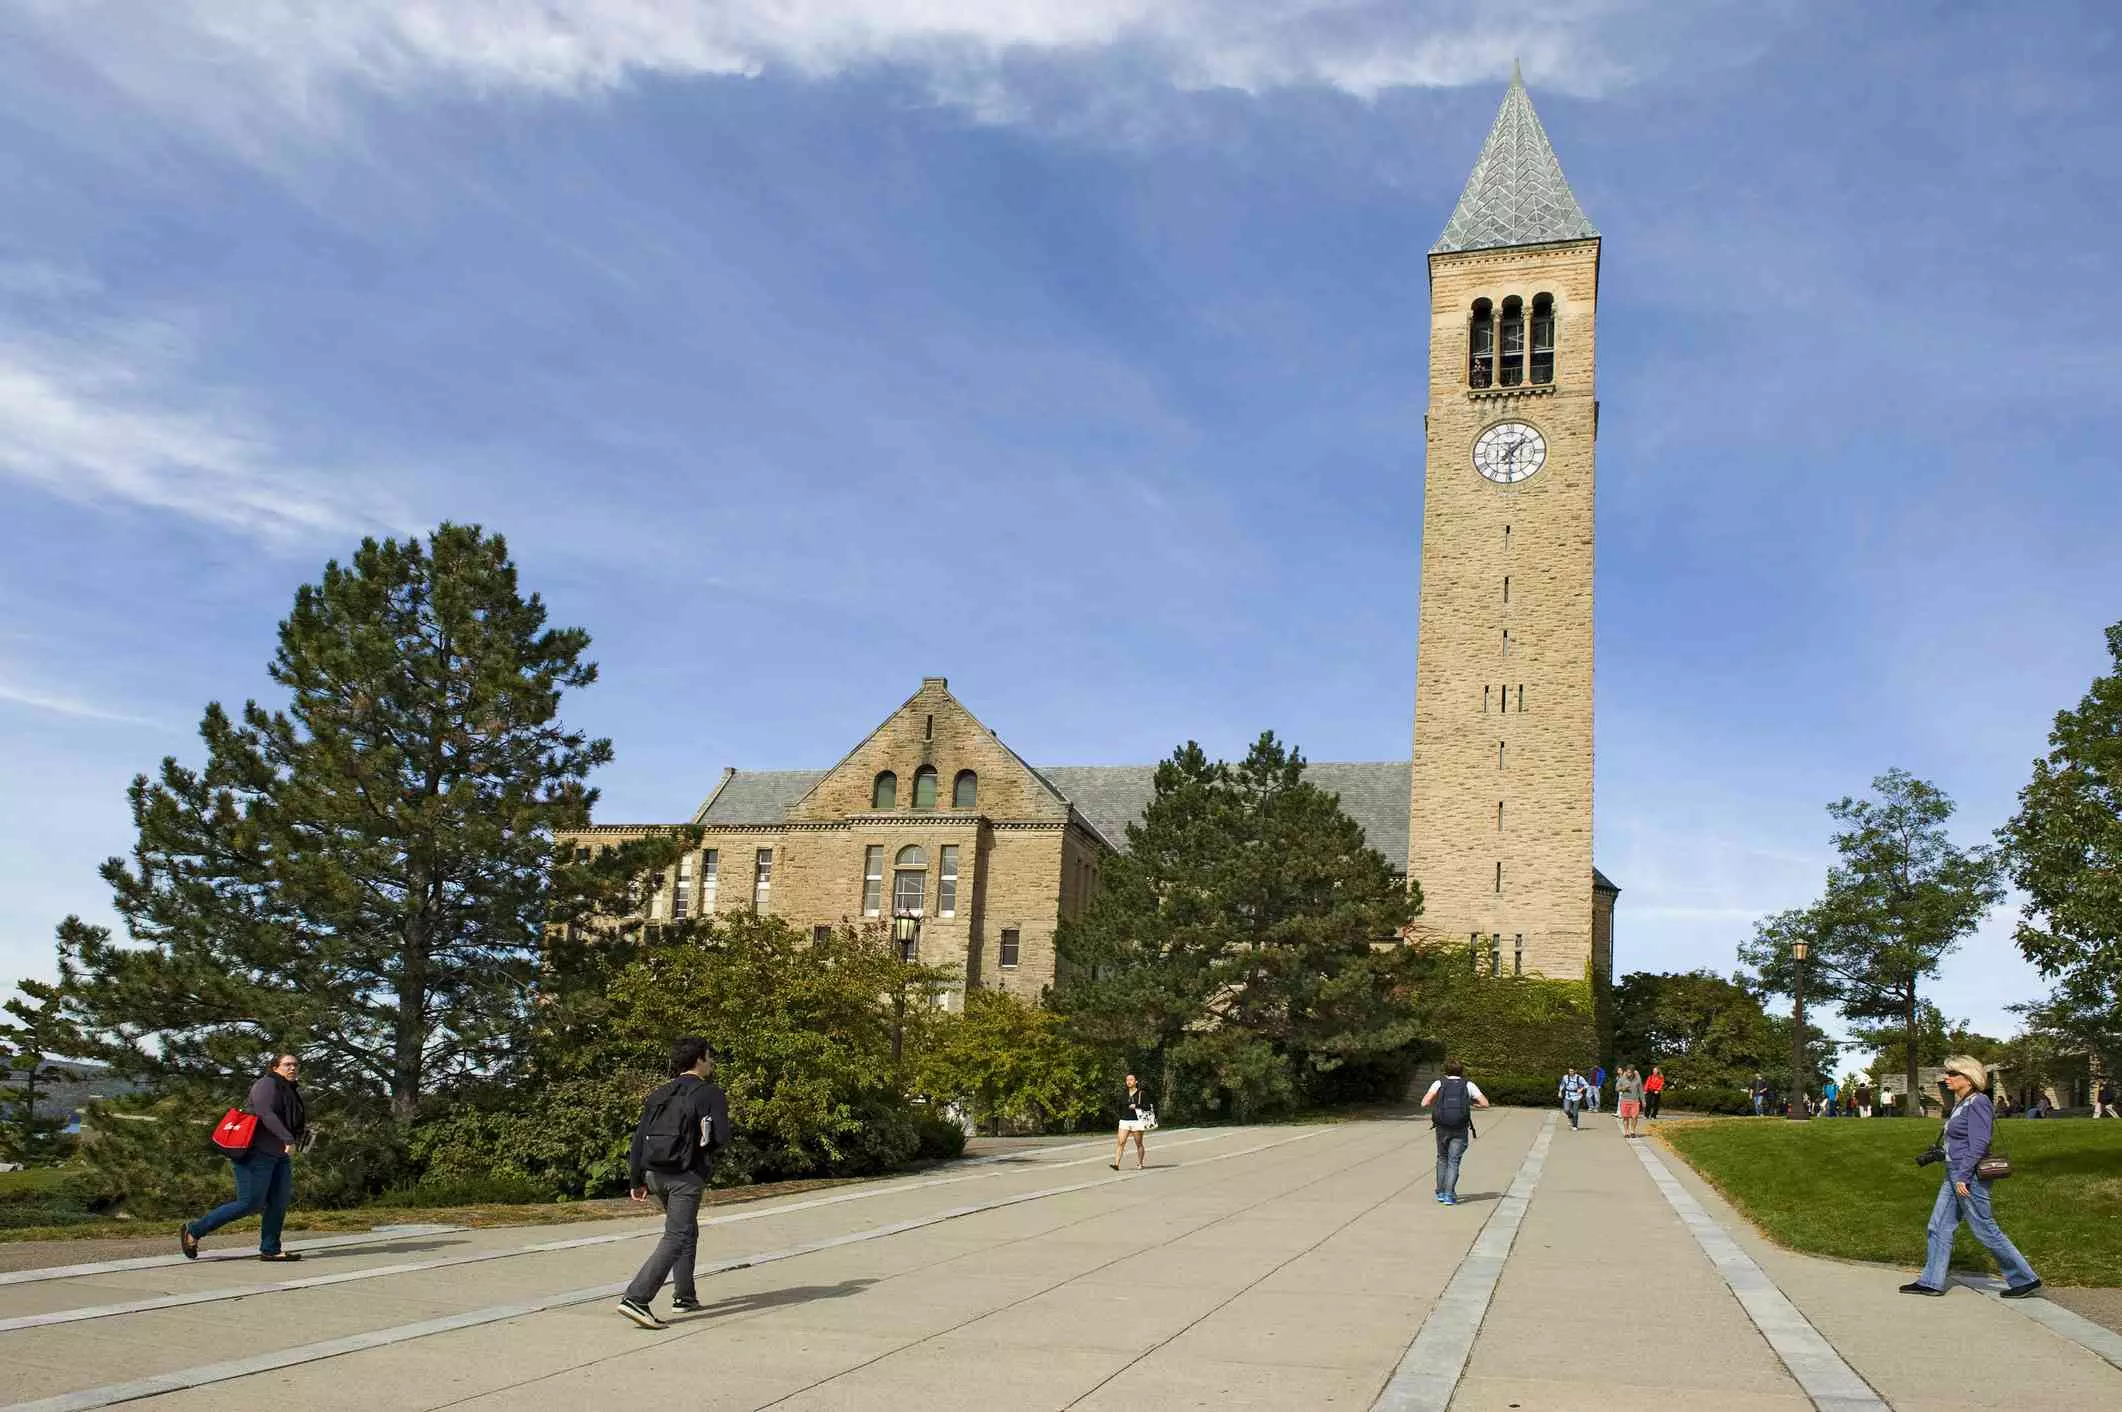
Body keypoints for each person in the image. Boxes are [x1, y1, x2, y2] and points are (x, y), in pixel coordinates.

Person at [1900, 1055, 2041, 1300]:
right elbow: (1962, 1141)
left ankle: (2025, 1279)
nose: (1948, 1078)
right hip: (1954, 1172)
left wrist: (1963, 1176)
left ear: (1969, 1077)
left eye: (1953, 1074)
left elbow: (1979, 1143)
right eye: (1948, 1073)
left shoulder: (1979, 1102)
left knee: (1985, 1228)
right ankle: (1931, 1281)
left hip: (1968, 1176)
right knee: (1939, 1226)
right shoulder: (1962, 1103)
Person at [618, 1036, 731, 1331]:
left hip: (654, 1174)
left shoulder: (659, 1094)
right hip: (686, 1175)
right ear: (699, 1060)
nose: (711, 1061)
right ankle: (637, 1298)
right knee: (677, 1235)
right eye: (709, 1056)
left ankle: (684, 1296)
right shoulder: (710, 1093)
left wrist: (636, 1179)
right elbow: (720, 1137)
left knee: (686, 1230)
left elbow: (638, 1138)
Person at [180, 1053, 306, 1263]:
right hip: (255, 1153)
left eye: (295, 1065)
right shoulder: (266, 1084)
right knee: (249, 1203)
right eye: (287, 1065)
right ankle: (193, 1230)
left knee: (278, 1202)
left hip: (278, 1155)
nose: (292, 1068)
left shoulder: (290, 1090)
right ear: (275, 1067)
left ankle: (270, 1249)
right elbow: (265, 1113)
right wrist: (287, 1138)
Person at [1421, 1061, 1490, 1204]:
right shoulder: (1468, 1084)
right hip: (1460, 1127)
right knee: (1454, 1161)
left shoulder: (1439, 1083)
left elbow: (1424, 1103)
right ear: (1461, 1071)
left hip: (1442, 1127)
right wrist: (1473, 1105)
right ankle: (1449, 1194)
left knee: (1442, 1158)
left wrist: (1439, 1102)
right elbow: (1485, 1103)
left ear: (1446, 1071)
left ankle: (1440, 1192)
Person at [1111, 1073, 1153, 1171]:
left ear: (1136, 1081)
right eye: (1127, 1080)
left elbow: (1147, 1107)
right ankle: (1116, 1164)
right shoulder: (1123, 1093)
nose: (1129, 1081)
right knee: (1120, 1142)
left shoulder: (1141, 1093)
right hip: (1124, 1120)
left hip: (1137, 1121)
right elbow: (1119, 1106)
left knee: (1138, 1143)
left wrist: (1137, 1106)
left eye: (1131, 1079)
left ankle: (1140, 1163)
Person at [1615, 1065, 1644, 1138]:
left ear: (1633, 1072)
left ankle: (1633, 1131)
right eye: (1627, 1072)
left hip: (1635, 1100)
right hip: (1625, 1100)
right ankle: (1626, 1132)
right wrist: (1623, 1088)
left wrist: (1643, 1101)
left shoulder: (1637, 1079)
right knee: (1625, 1117)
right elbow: (1617, 1088)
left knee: (1635, 1117)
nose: (1628, 1074)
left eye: (1630, 1072)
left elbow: (1641, 1091)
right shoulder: (1622, 1079)